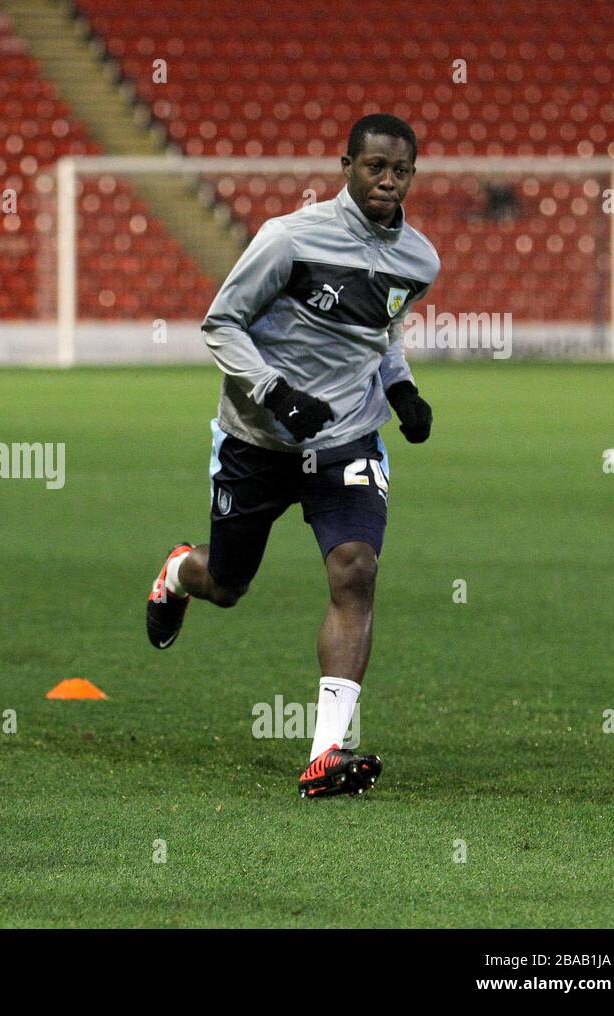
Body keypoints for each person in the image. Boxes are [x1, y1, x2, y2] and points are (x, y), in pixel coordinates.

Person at [145, 113, 439, 799]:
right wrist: (275, 392)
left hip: (347, 438)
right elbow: (220, 322)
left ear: (412, 174)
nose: (387, 179)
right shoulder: (289, 238)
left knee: (355, 569)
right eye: (374, 166)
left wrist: (402, 389)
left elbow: (383, 329)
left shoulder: (419, 258)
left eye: (400, 169)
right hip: (258, 439)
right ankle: (177, 573)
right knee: (228, 585)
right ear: (347, 165)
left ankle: (326, 752)